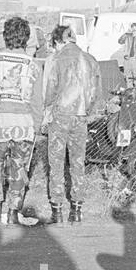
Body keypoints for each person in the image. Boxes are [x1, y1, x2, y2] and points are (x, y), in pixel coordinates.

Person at [0, 17, 44, 227]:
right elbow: (37, 102)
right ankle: (14, 213)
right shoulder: (34, 65)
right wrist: (36, 126)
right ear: (26, 38)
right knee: (19, 170)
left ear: (5, 36)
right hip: (24, 125)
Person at [42, 24, 103, 224]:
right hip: (81, 116)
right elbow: (96, 93)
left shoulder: (56, 60)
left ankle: (57, 211)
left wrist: (47, 112)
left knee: (56, 163)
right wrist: (88, 112)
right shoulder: (90, 60)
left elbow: (50, 91)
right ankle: (76, 210)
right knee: (78, 162)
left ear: (57, 42)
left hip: (60, 116)